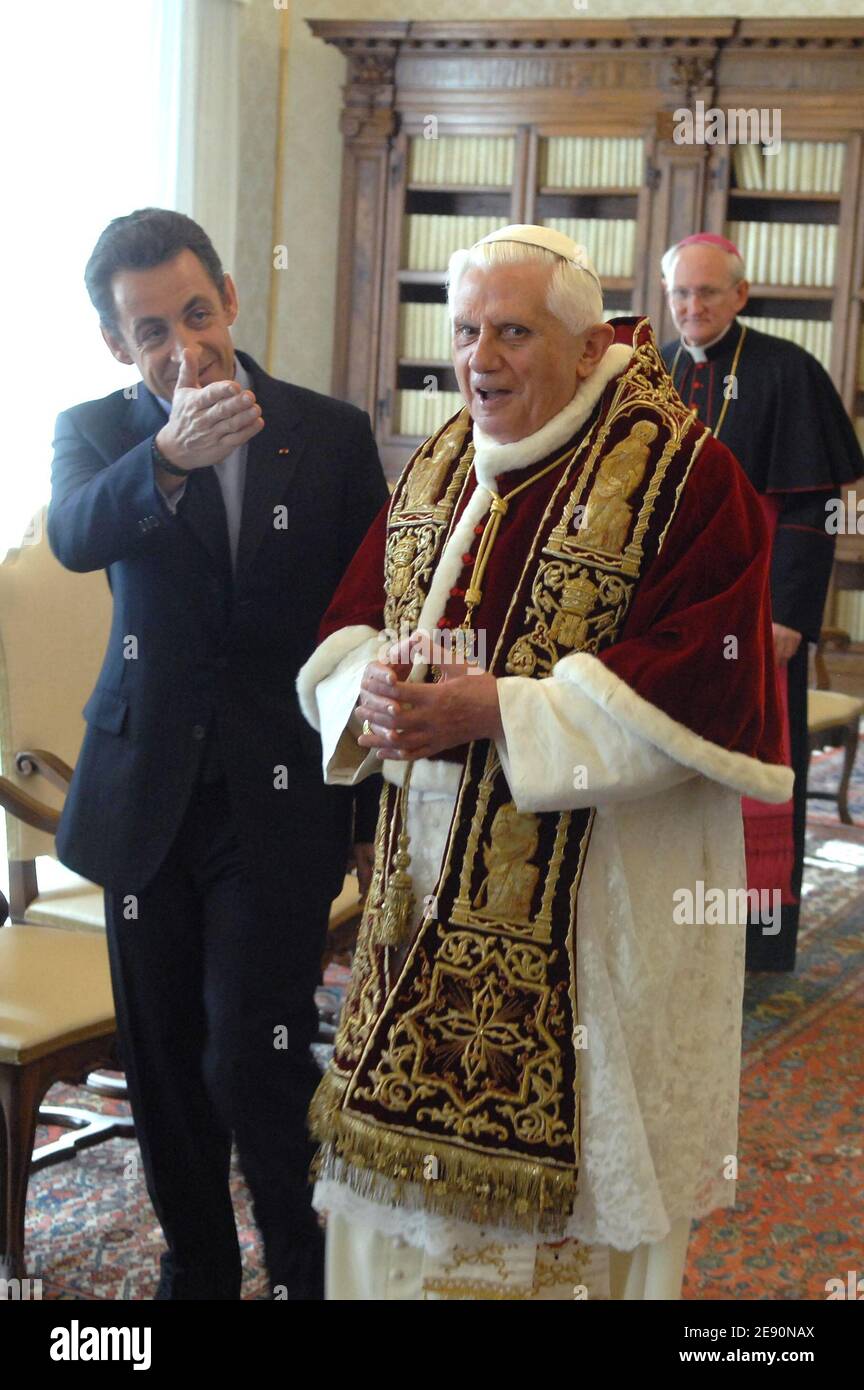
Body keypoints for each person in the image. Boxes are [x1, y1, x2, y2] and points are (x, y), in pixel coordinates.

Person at [296, 224, 793, 1301]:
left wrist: (501, 714)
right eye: (467, 329)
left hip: (599, 923)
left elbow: (703, 687)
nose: (481, 358)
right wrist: (368, 691)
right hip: (419, 915)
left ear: (585, 345)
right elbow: (346, 627)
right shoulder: (440, 460)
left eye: (513, 332)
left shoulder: (685, 473)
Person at [48, 208, 388, 1299]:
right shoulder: (101, 432)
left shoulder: (327, 433)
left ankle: (305, 1270)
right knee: (165, 1076)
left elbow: (371, 607)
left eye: (197, 312)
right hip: (144, 799)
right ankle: (196, 1272)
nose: (181, 345)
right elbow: (73, 533)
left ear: (232, 298)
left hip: (280, 796)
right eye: (150, 330)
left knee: (251, 1053)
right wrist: (167, 459)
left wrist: (375, 797)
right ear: (118, 345)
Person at [660, 232, 864, 972]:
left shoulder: (788, 371)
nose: (692, 308)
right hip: (671, 607)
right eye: (680, 293)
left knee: (756, 760)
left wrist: (790, 614)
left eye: (707, 292)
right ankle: (672, 912)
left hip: (757, 609)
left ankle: (753, 934)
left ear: (740, 295)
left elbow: (813, 506)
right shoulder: (654, 370)